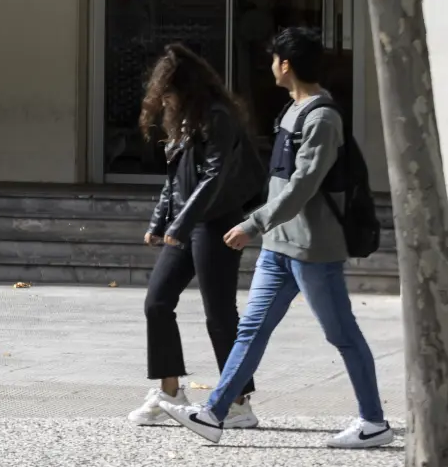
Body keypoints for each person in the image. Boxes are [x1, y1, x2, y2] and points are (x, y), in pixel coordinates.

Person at [166, 28, 394, 450]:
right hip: (279, 246)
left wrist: (253, 223)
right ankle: (215, 413)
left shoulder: (323, 117)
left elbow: (303, 185)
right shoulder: (292, 110)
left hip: (312, 248)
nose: (271, 66)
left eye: (274, 60)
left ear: (285, 65)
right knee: (251, 329)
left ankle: (373, 421)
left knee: (341, 333)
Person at [127, 44, 266, 429]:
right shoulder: (184, 120)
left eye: (169, 92)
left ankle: (238, 401)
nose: (164, 100)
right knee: (157, 302)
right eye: (161, 94)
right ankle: (169, 393)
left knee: (219, 313)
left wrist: (180, 225)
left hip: (217, 222)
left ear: (188, 88)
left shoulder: (218, 117)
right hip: (186, 226)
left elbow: (214, 177)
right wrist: (159, 223)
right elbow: (174, 180)